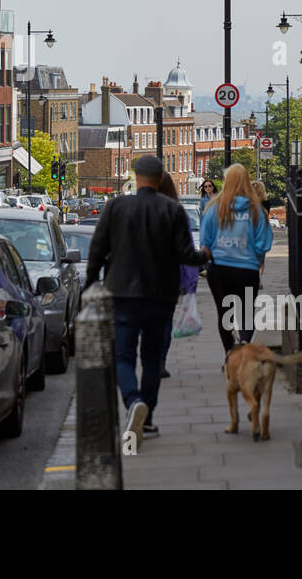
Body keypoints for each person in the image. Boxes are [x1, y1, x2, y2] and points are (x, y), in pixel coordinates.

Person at [86, 154, 200, 445]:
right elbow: (187, 255)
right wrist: (205, 257)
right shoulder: (172, 210)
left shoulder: (116, 206)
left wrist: (90, 282)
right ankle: (147, 420)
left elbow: (98, 248)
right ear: (161, 178)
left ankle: (132, 400)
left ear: (135, 176)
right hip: (160, 296)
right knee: (151, 358)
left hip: (122, 293)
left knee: (123, 355)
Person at [199, 163, 273, 353]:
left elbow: (205, 242)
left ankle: (230, 354)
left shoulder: (214, 208)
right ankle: (245, 347)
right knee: (247, 314)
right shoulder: (257, 210)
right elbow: (263, 244)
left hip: (220, 269)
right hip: (247, 269)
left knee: (225, 315)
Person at [157, 172, 195, 380]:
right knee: (165, 320)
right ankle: (160, 360)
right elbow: (186, 249)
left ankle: (151, 357)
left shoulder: (138, 209)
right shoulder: (177, 212)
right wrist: (190, 280)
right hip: (169, 277)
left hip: (143, 277)